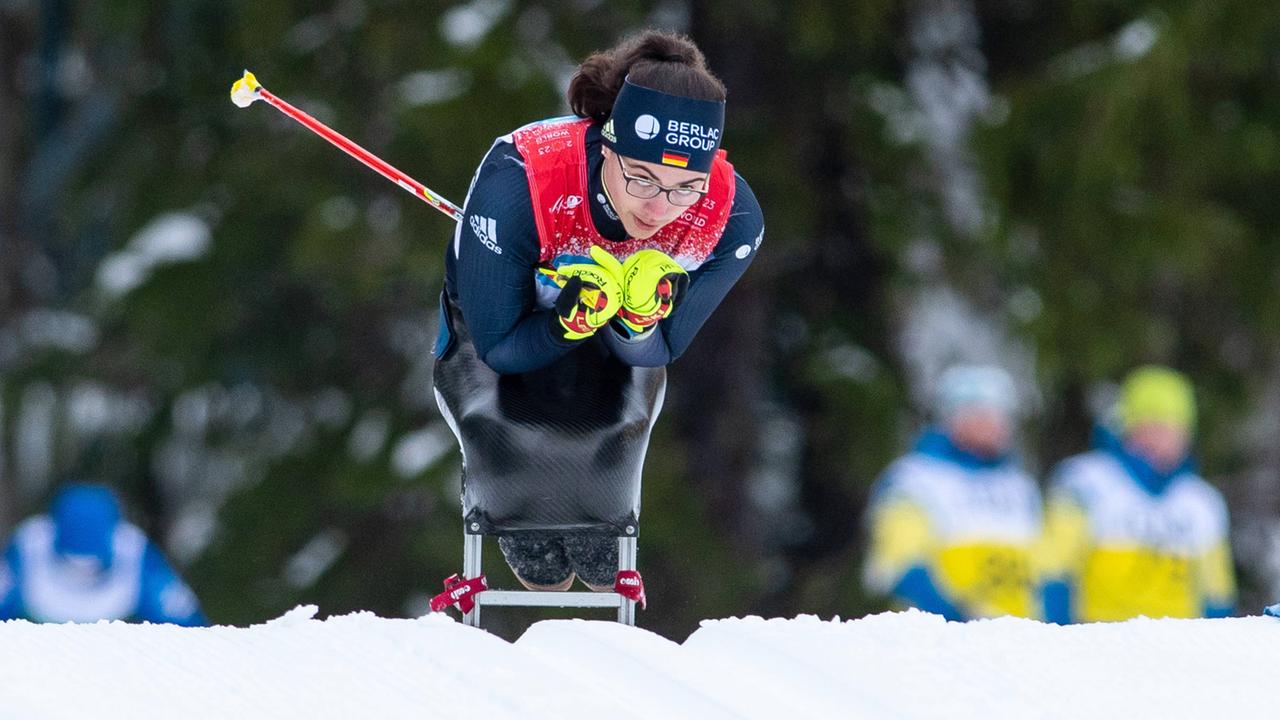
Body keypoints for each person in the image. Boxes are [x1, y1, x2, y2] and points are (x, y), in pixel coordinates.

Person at [433, 30, 764, 592]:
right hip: (505, 325)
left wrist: (635, 320)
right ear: (606, 144)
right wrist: (569, 322)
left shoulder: (730, 219)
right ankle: (511, 507)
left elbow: (663, 348)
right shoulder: (520, 182)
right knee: (507, 453)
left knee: (612, 469)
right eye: (642, 177)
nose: (659, 208)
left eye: (686, 186)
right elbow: (499, 347)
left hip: (610, 346)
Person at [1039, 365, 1236, 623]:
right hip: (1099, 636)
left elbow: (1217, 591)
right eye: (1154, 426)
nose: (1165, 439)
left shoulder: (1202, 500)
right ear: (1129, 426)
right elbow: (1052, 566)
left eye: (1175, 428)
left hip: (1178, 640)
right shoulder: (1085, 481)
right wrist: (1059, 632)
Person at [863, 365, 1043, 621]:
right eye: (980, 415)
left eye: (1000, 415)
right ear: (952, 417)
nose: (993, 425)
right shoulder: (914, 479)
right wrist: (955, 620)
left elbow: (1043, 567)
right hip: (940, 633)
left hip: (1015, 635)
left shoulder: (1019, 485)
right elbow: (899, 563)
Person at [0, 483, 207, 625]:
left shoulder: (134, 553)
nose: (81, 571)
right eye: (72, 562)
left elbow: (188, 626)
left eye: (91, 565)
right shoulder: (29, 547)